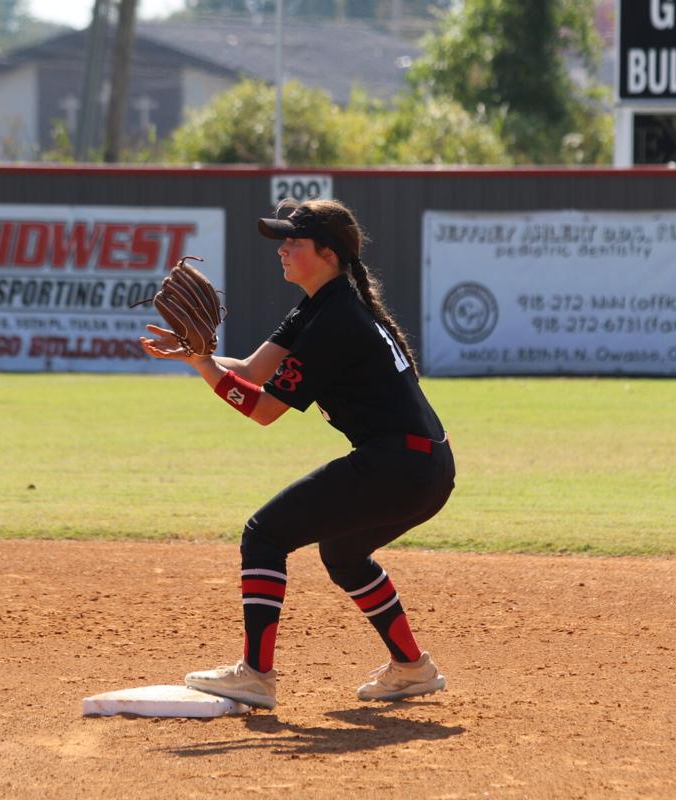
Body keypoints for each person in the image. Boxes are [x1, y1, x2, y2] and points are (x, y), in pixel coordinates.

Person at [139, 198, 455, 709]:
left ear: (327, 253)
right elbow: (250, 369)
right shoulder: (321, 305)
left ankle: (256, 675)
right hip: (427, 466)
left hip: (399, 464)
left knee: (264, 534)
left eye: (293, 241)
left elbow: (263, 409)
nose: (282, 249)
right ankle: (412, 667)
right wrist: (200, 358)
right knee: (343, 553)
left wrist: (204, 367)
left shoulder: (336, 321)